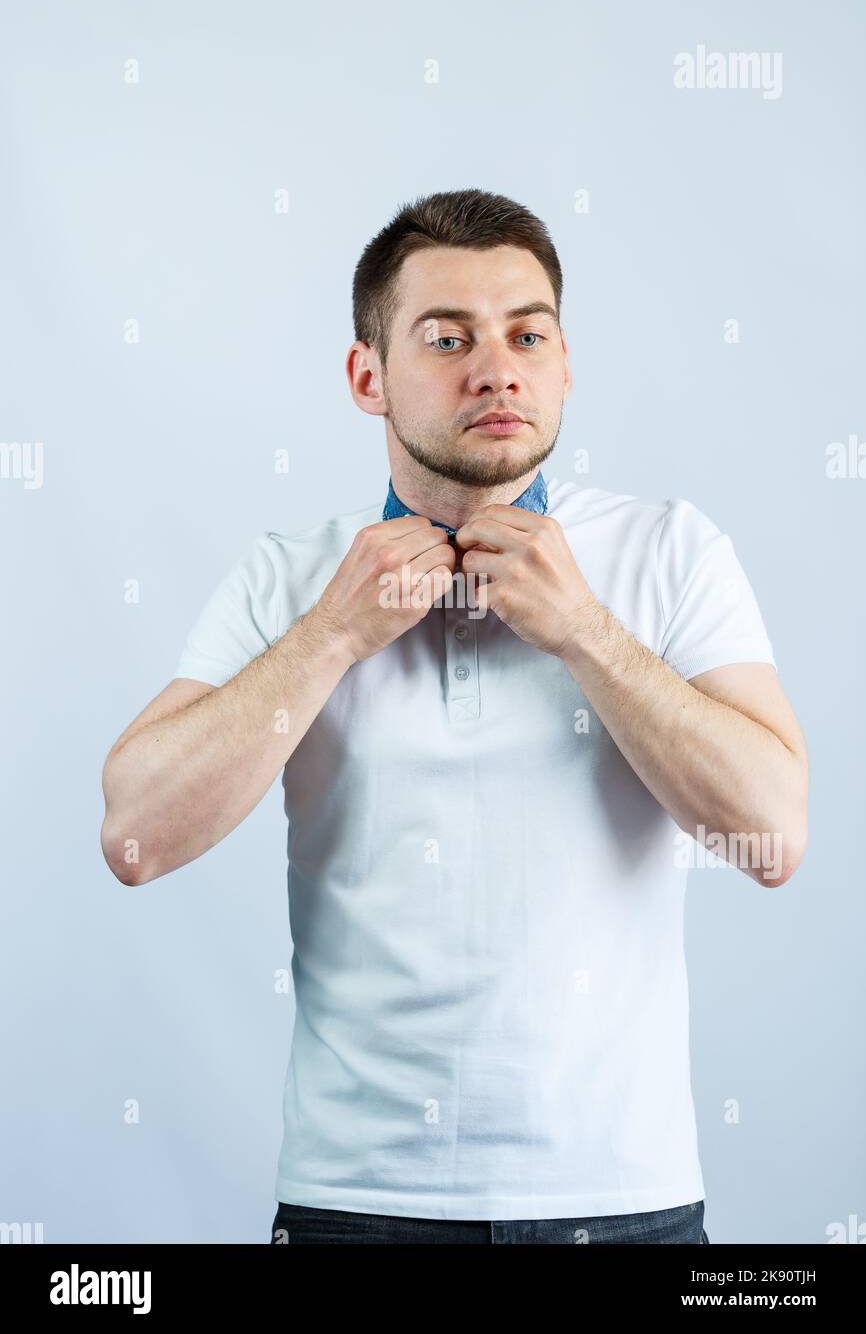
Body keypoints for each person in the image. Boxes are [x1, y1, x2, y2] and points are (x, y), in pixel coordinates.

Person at [100, 189, 808, 1245]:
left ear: (563, 366)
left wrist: (584, 632)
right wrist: (330, 636)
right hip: (356, 1206)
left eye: (528, 333)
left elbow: (773, 833)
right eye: (446, 337)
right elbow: (134, 834)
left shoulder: (672, 552)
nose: (495, 367)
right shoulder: (288, 576)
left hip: (622, 1204)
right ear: (366, 376)